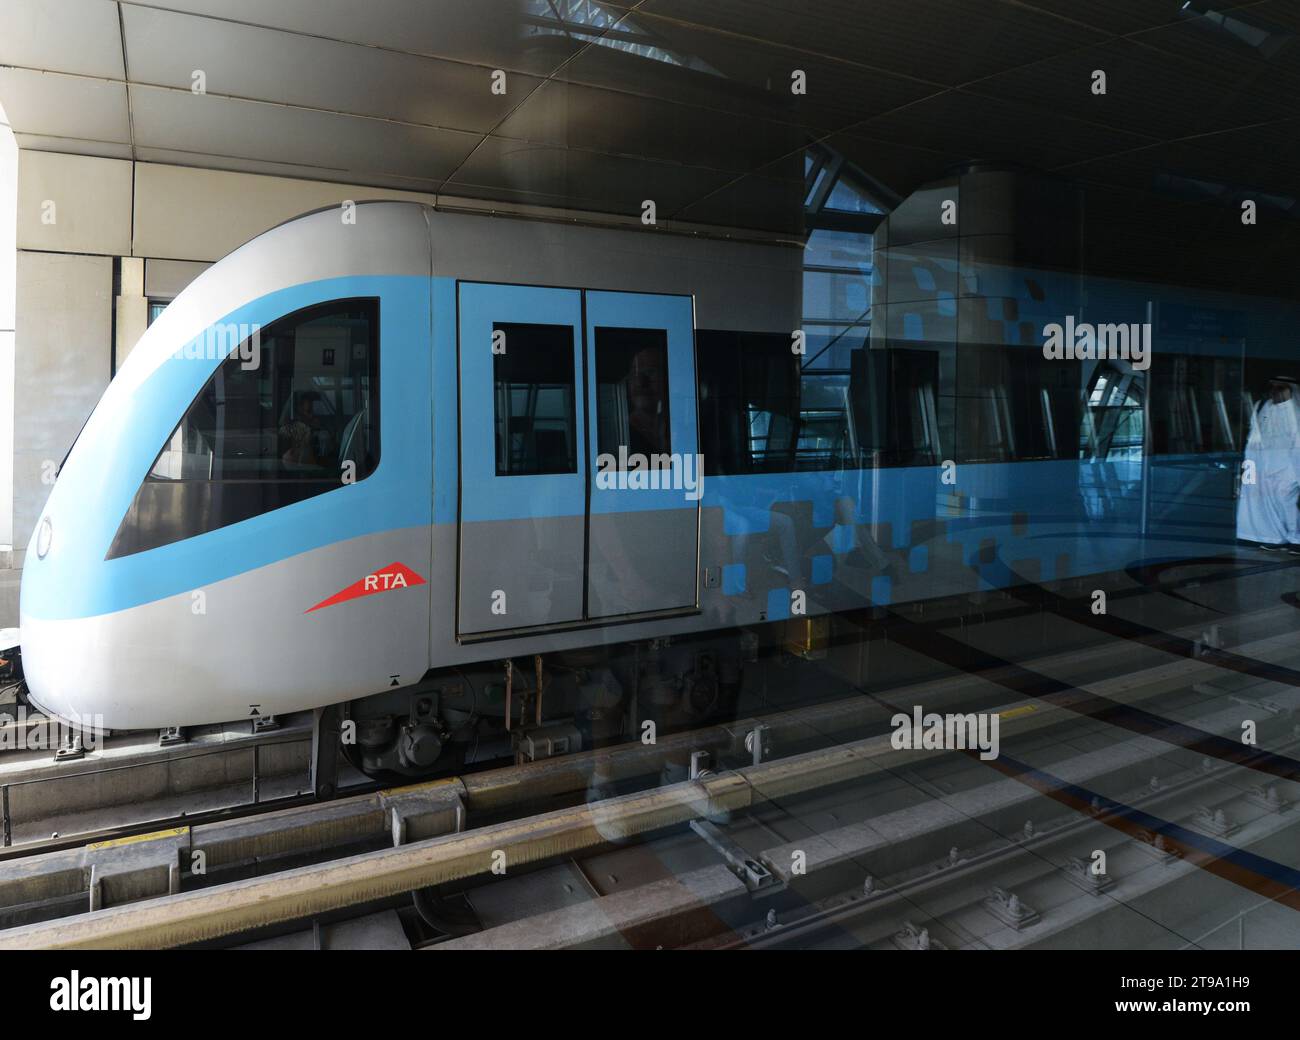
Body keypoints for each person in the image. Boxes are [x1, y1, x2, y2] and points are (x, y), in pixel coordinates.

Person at [1237, 376, 1300, 550]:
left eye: (1281, 387)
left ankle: (1296, 539)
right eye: (1273, 386)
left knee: (1287, 502)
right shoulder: (1261, 406)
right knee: (1268, 503)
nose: (1276, 390)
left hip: (1289, 467)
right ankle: (1275, 537)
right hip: (1264, 465)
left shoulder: (1294, 409)